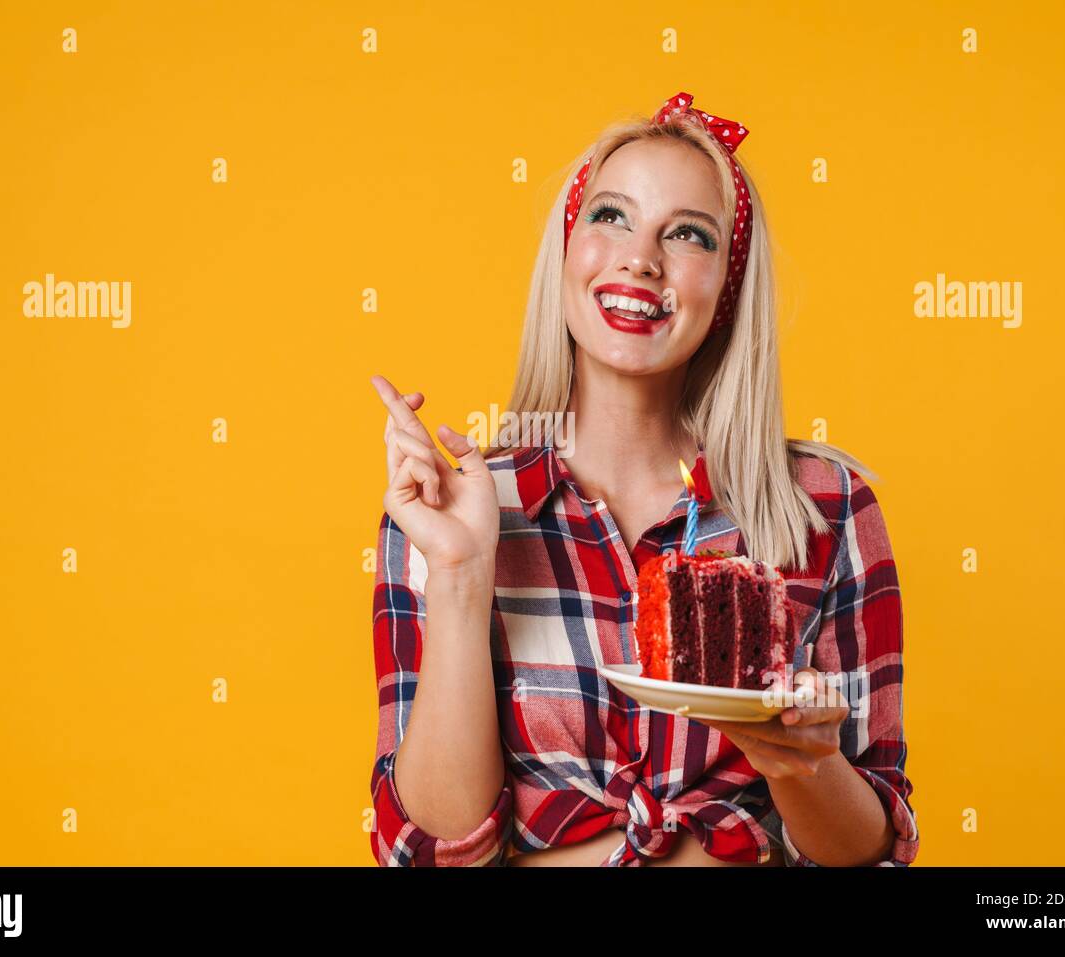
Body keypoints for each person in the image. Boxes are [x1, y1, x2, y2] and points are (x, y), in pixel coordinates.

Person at [368, 91, 918, 867]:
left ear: (725, 289)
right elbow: (428, 848)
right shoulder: (452, 506)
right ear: (568, 251)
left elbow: (872, 854)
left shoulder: (824, 507)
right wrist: (460, 576)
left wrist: (802, 760)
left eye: (687, 234)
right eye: (611, 216)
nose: (640, 257)